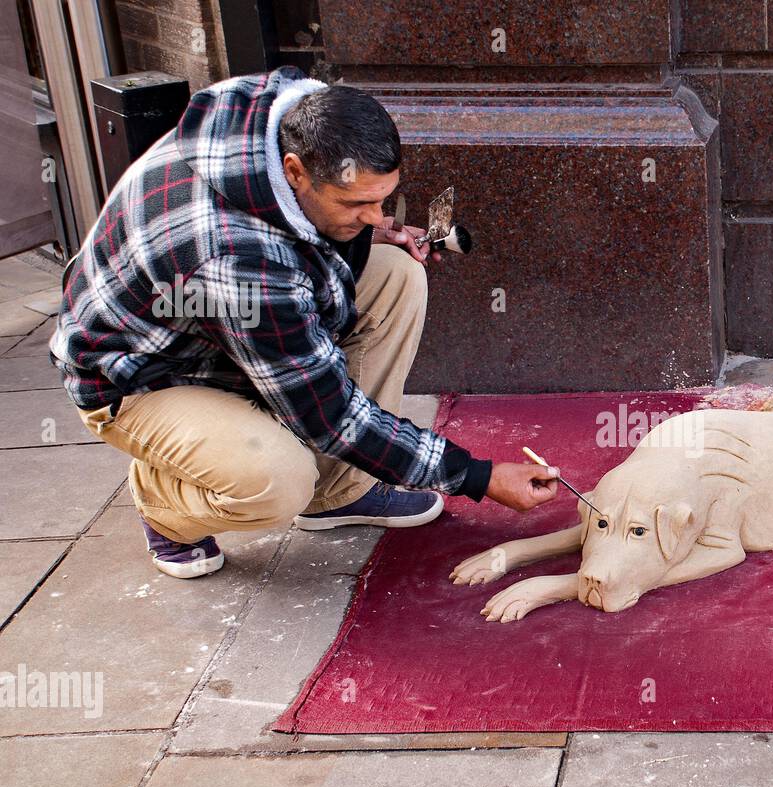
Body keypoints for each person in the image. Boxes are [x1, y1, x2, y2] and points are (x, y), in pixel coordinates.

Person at [50, 67, 557, 579]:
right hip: (140, 377)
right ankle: (162, 504)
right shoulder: (238, 258)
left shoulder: (284, 111)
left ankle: (339, 492)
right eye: (356, 204)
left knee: (398, 274)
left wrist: (362, 232)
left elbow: (296, 237)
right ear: (293, 171)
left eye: (381, 198)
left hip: (214, 324)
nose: (378, 216)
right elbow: (330, 415)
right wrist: (476, 476)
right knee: (278, 478)